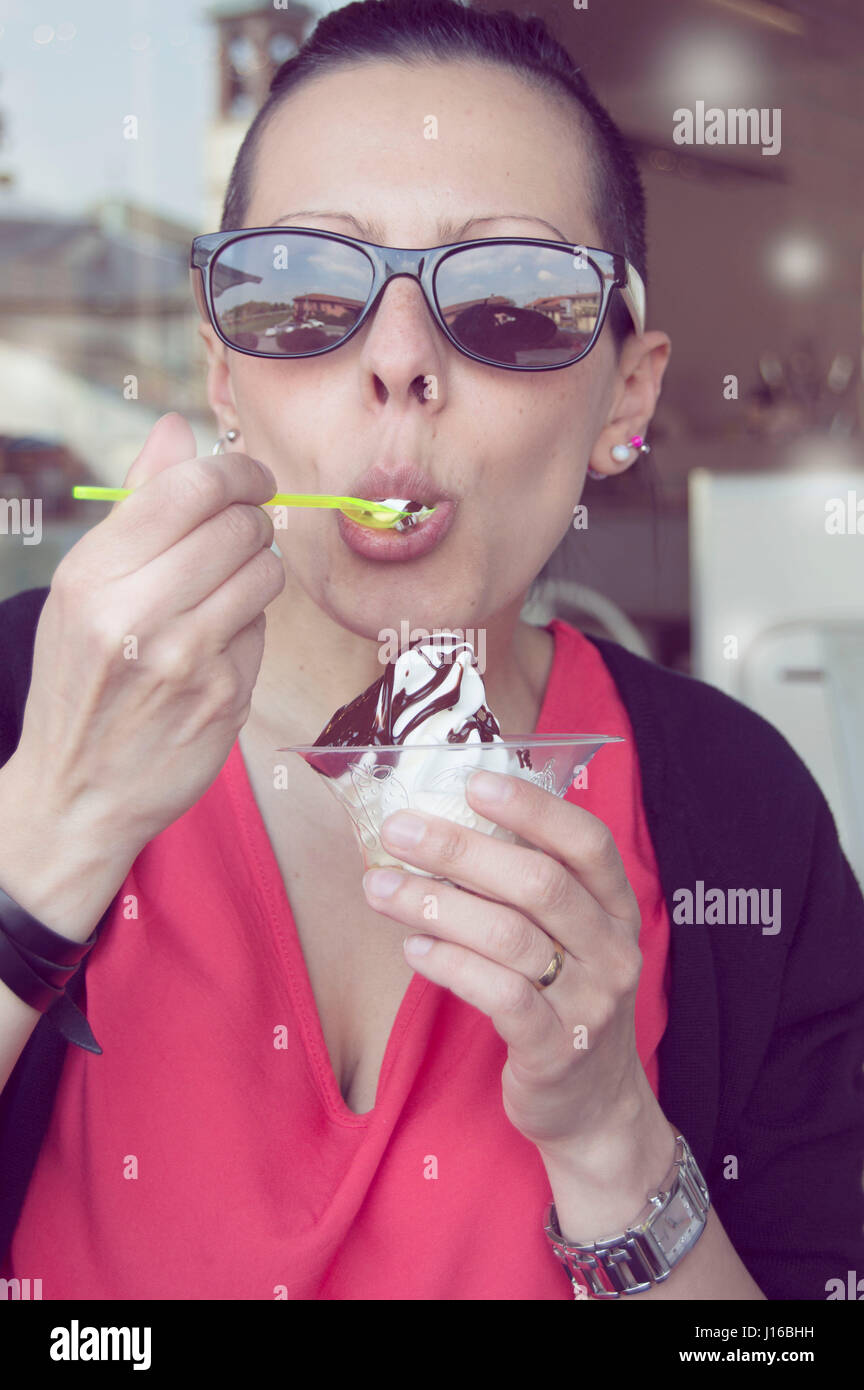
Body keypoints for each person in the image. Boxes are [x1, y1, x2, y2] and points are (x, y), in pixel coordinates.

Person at [0, 0, 862, 1302]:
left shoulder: (744, 816)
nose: (399, 361)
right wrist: (47, 840)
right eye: (304, 289)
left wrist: (609, 1133)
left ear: (624, 398)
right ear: (221, 364)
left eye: (512, 298)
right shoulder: (32, 696)